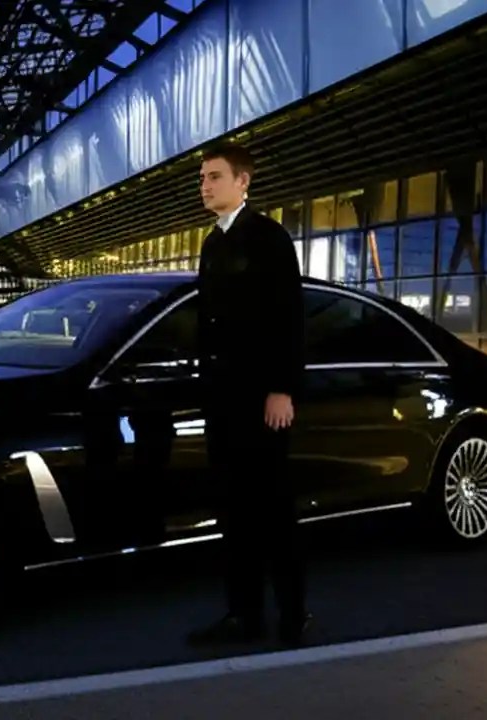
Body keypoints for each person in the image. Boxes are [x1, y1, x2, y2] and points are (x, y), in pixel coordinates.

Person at [187, 141, 310, 647]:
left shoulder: (269, 237)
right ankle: (243, 614)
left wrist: (282, 388)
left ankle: (293, 615)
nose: (205, 185)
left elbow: (288, 317)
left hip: (263, 400)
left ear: (244, 182)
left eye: (215, 176)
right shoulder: (211, 242)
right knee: (233, 513)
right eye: (202, 178)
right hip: (223, 399)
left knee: (274, 511)